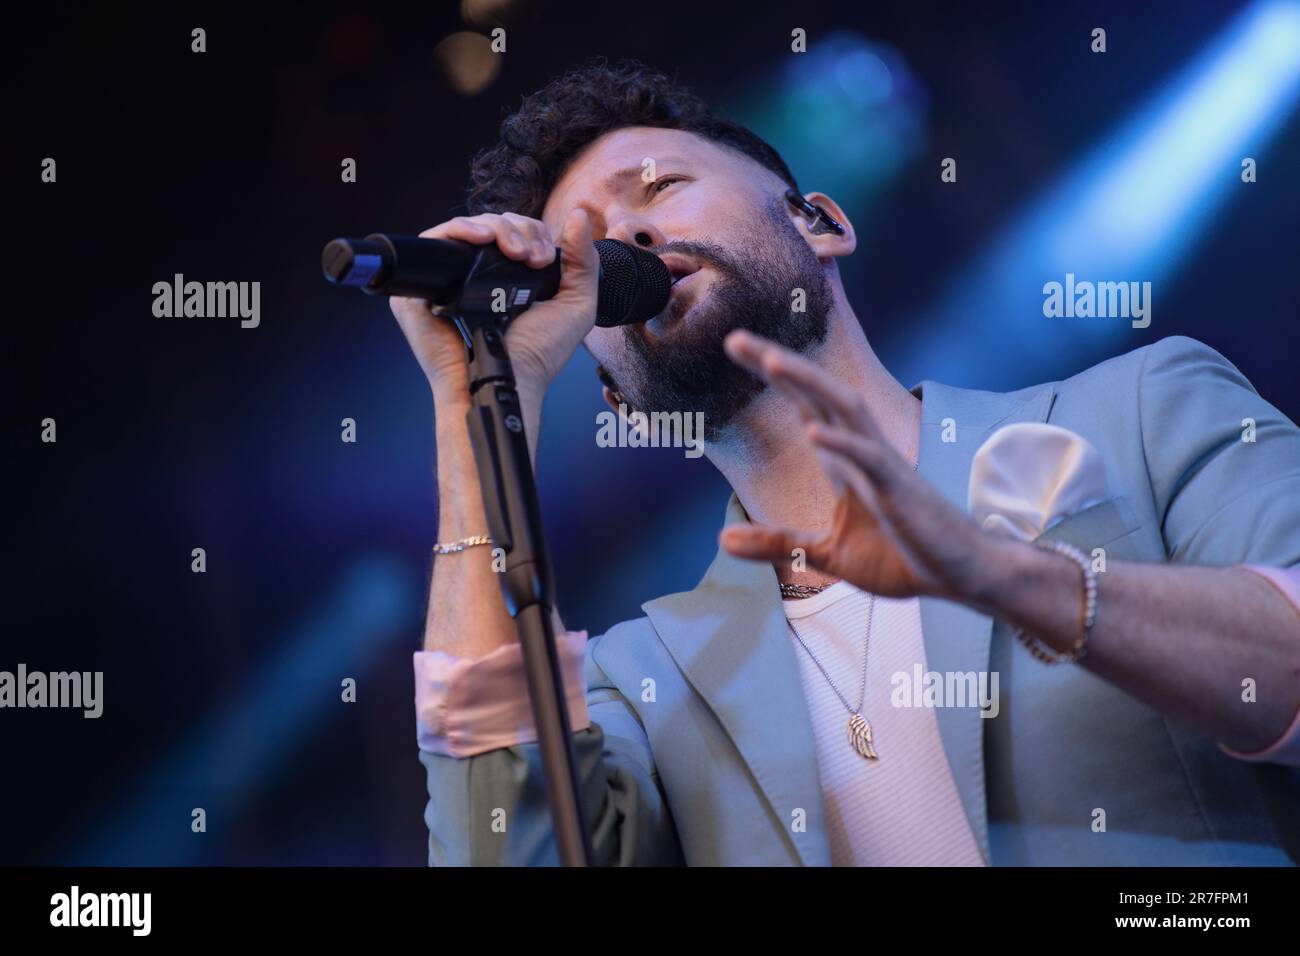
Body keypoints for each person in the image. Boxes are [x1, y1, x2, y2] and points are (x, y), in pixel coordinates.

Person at [391, 60, 1300, 866]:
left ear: (819, 222)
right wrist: (468, 395)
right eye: (582, 243)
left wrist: (1009, 576)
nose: (616, 240)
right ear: (617, 396)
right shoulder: (638, 679)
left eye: (658, 185)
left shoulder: (1144, 410)